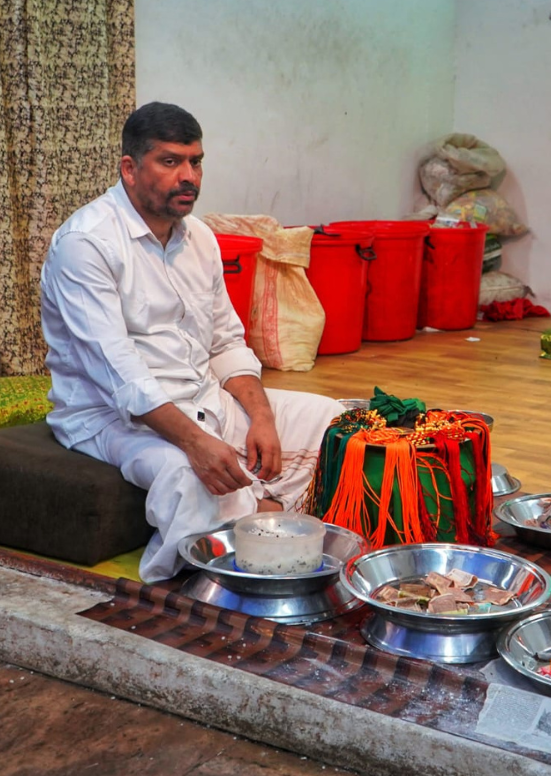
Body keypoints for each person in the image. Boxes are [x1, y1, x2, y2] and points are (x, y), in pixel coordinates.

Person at [40, 101, 342, 583]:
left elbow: (225, 341)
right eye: (170, 162)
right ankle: (213, 581)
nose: (189, 177)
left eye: (195, 162)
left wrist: (261, 416)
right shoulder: (86, 243)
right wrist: (198, 443)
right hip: (110, 417)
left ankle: (272, 526)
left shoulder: (199, 237)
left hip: (204, 396)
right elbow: (122, 376)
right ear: (130, 168)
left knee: (334, 421)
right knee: (191, 476)